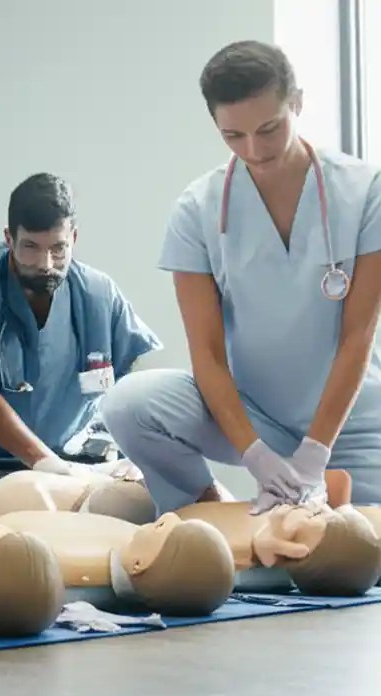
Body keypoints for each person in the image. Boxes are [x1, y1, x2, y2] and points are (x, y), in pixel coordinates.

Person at [102, 41, 381, 515]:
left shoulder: (365, 191)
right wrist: (256, 456)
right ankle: (207, 506)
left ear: (297, 103)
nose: (255, 150)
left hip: (352, 425)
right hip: (256, 417)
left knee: (353, 556)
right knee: (128, 404)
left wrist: (315, 456)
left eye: (269, 128)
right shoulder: (197, 210)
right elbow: (207, 355)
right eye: (233, 135)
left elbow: (357, 336)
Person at [0, 172, 161, 480]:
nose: (45, 263)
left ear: (74, 238)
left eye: (58, 249)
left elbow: (140, 376)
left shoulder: (98, 295)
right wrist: (46, 465)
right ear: (8, 238)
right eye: (30, 247)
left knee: (142, 497)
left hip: (75, 458)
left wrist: (143, 453)